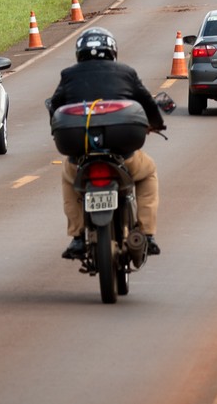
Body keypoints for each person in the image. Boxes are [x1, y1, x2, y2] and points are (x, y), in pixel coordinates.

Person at [50, 27, 165, 260]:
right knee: (148, 172)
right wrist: (155, 124)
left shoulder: (68, 75)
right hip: (123, 153)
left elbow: (54, 108)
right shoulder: (126, 72)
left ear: (79, 53)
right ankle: (147, 233)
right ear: (112, 51)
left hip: (80, 154)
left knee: (68, 177)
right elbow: (147, 103)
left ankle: (77, 237)